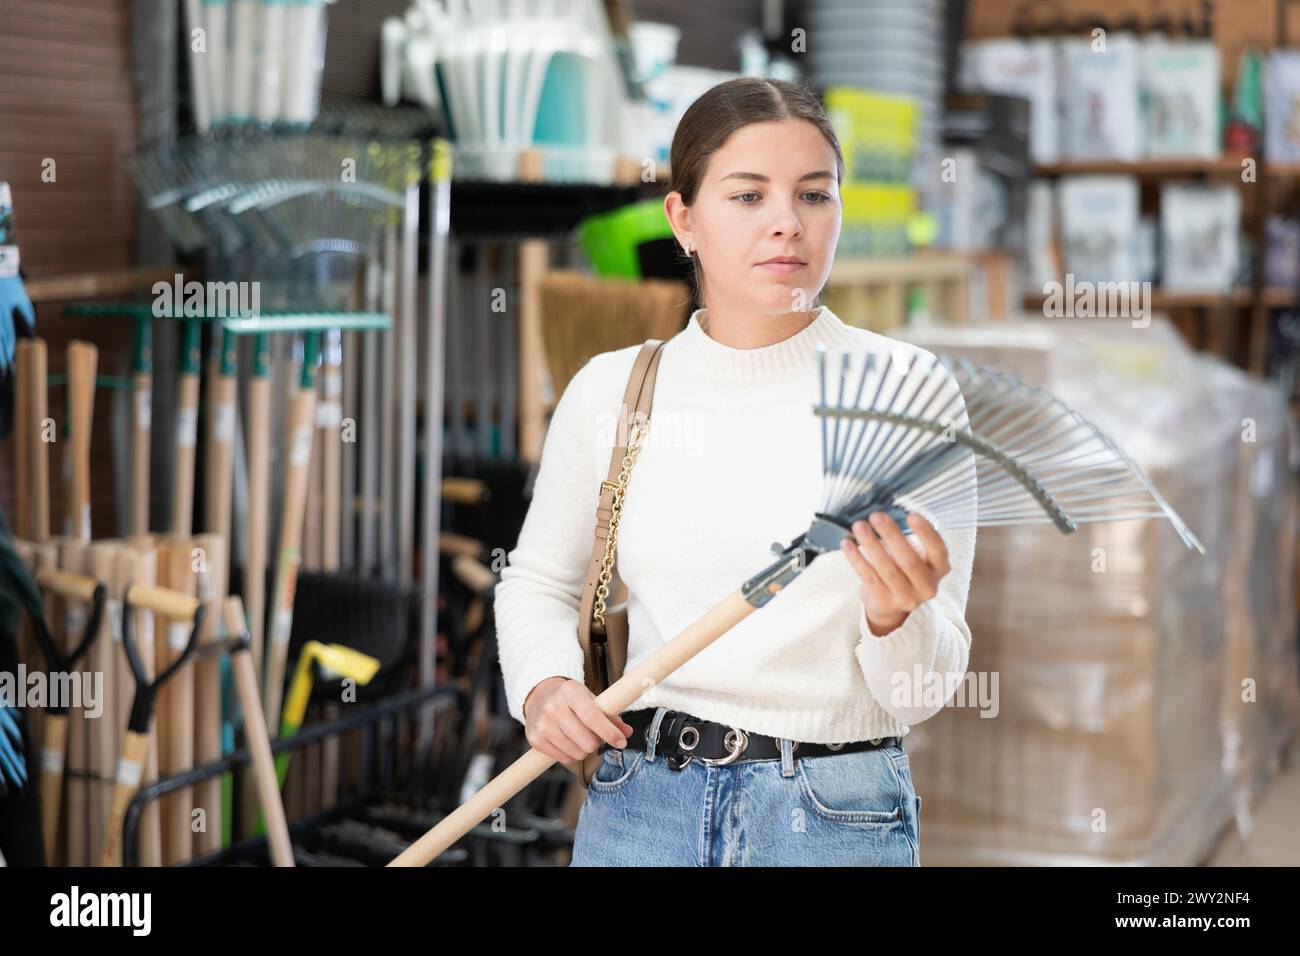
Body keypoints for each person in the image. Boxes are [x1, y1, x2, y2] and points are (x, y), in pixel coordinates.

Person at [496, 77, 976, 866]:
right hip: (639, 806)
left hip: (832, 816)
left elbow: (923, 696)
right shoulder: (614, 390)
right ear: (683, 219)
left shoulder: (907, 392)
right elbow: (539, 581)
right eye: (748, 196)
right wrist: (544, 687)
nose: (787, 223)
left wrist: (897, 623)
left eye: (815, 195)